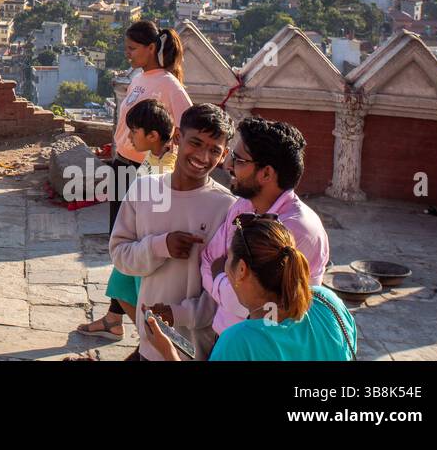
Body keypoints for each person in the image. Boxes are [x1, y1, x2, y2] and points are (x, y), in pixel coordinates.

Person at [81, 18, 192, 338]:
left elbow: (190, 125)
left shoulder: (169, 85)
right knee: (121, 241)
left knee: (130, 242)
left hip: (144, 172)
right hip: (124, 165)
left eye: (132, 49)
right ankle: (118, 318)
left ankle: (142, 327)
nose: (127, 54)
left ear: (152, 48)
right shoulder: (141, 77)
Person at [110, 102, 234, 361]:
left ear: (224, 156)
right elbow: (120, 254)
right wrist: (160, 246)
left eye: (214, 150)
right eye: (196, 143)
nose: (202, 157)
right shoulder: (143, 190)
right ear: (178, 137)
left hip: (197, 346)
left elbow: (229, 288)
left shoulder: (226, 208)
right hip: (151, 343)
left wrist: (178, 313)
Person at [145, 216, 356, 361]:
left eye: (228, 258)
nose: (224, 265)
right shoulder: (329, 303)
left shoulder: (239, 341)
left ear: (242, 269)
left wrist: (169, 353)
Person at [197, 117, 330, 336]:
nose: (228, 165)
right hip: (227, 337)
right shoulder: (243, 206)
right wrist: (228, 282)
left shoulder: (297, 229)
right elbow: (208, 259)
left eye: (239, 160)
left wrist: (220, 275)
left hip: (265, 346)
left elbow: (259, 306)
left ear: (266, 173)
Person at [81, 98, 177, 341]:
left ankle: (154, 339)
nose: (129, 138)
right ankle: (142, 334)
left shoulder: (167, 168)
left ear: (153, 135)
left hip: (150, 246)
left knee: (139, 294)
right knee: (121, 287)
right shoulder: (153, 158)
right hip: (138, 243)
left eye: (134, 132)